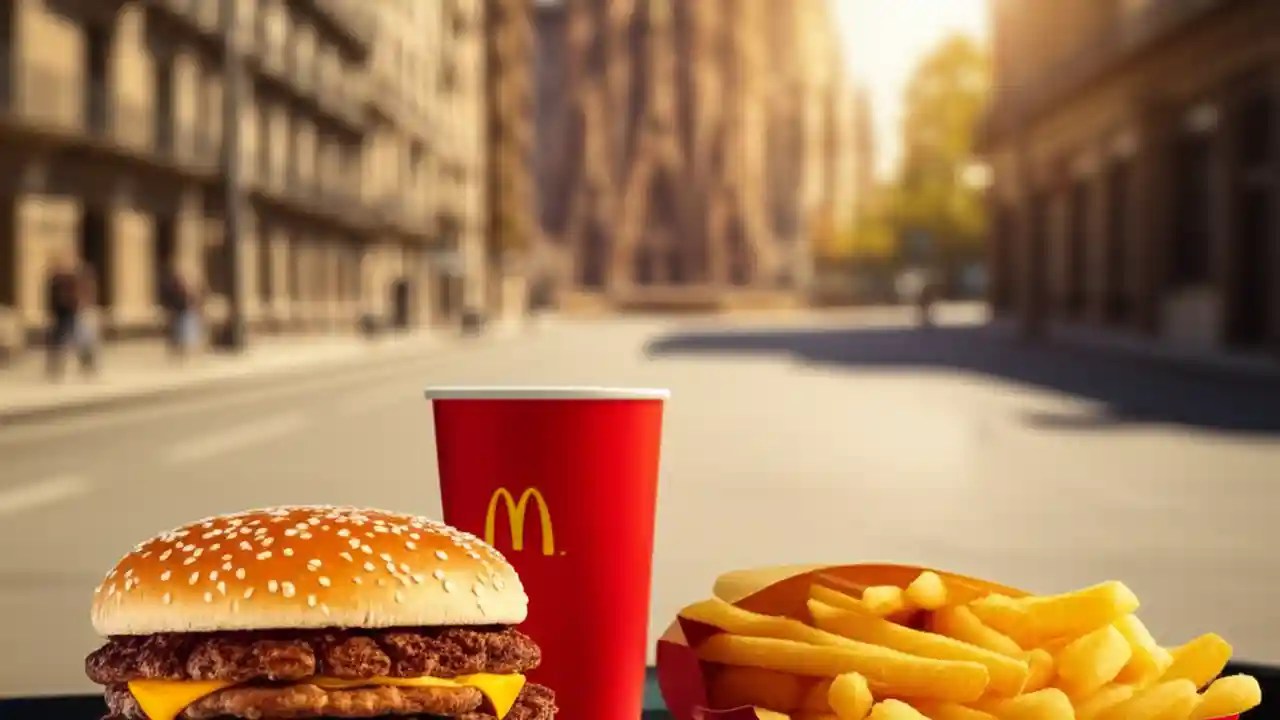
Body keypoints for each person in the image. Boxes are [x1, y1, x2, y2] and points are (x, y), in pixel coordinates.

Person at [45, 256, 97, 379]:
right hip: (66, 312)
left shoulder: (66, 279)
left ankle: (83, 365)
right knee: (73, 338)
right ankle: (60, 367)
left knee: (77, 337)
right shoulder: (63, 279)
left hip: (70, 311)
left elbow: (79, 294)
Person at [160, 268, 200, 360]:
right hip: (177, 313)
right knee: (177, 332)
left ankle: (182, 350)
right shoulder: (174, 290)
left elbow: (190, 300)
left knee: (183, 333)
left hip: (182, 313)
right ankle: (177, 350)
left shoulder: (183, 291)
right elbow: (172, 301)